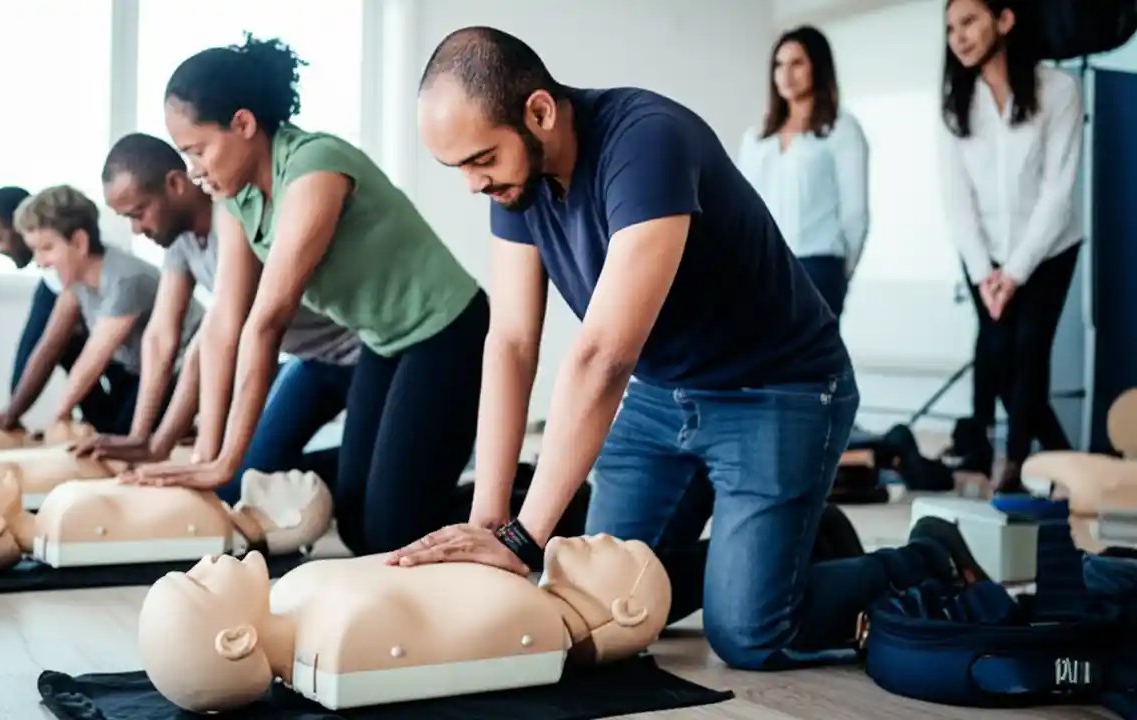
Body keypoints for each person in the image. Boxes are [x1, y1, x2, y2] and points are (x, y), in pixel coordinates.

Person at [389, 26, 988, 671]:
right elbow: (509, 342)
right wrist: (487, 519)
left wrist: (523, 538)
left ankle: (929, 558)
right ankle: (804, 549)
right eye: (460, 168)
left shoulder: (646, 141)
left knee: (749, 634)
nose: (473, 184)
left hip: (778, 390)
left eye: (480, 160)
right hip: (665, 396)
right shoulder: (516, 183)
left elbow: (602, 359)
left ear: (538, 112)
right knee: (600, 602)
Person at [126, 37, 488, 555]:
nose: (193, 170)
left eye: (197, 150)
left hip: (448, 331)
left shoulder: (315, 168)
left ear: (244, 125)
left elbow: (266, 323)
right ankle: (423, 482)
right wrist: (205, 457)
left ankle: (518, 507)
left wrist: (231, 460)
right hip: (382, 344)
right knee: (358, 526)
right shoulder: (236, 199)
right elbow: (226, 323)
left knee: (391, 534)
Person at [74, 132, 361, 504]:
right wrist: (144, 440)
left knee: (365, 490)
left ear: (175, 184)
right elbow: (162, 337)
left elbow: (224, 331)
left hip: (360, 352)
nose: (136, 228)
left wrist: (206, 456)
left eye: (138, 212)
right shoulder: (181, 244)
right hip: (313, 361)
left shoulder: (232, 214)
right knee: (243, 480)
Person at [941, 0, 1083, 492]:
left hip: (1050, 246)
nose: (958, 36)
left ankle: (1016, 467)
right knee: (998, 357)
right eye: (952, 28)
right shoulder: (955, 100)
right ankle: (1063, 463)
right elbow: (957, 200)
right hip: (985, 255)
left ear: (1004, 20)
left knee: (1028, 350)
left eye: (970, 22)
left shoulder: (1060, 89)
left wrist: (1015, 272)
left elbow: (1058, 193)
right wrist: (987, 275)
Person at [0, 185, 203, 436]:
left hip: (179, 373)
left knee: (117, 439)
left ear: (79, 242)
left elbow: (93, 360)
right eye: (36, 250)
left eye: (47, 248)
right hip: (136, 370)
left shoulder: (124, 280)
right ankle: (100, 427)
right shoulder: (75, 284)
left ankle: (171, 429)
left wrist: (56, 420)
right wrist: (12, 413)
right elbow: (47, 346)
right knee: (65, 345)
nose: (39, 262)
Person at [736, 26, 869, 323]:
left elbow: (855, 214)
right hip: (764, 268)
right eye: (779, 64)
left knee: (811, 365)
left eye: (797, 63)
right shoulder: (756, 138)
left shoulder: (841, 129)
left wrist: (840, 275)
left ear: (818, 68)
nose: (786, 74)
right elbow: (742, 209)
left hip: (819, 268)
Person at [0, 187, 114, 426]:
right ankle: (99, 420)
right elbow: (37, 350)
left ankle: (107, 421)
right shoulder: (53, 280)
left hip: (131, 363)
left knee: (69, 344)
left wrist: (13, 414)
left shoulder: (90, 272)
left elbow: (50, 347)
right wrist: (12, 412)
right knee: (52, 345)